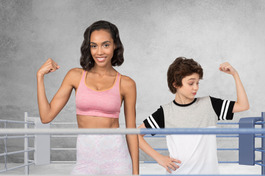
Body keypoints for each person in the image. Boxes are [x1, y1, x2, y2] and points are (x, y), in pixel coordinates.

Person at [37, 20, 139, 175]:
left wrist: (136, 173)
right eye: (94, 45)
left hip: (116, 158)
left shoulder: (127, 84)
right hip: (85, 159)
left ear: (115, 45)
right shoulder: (75, 76)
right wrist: (40, 77)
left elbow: (131, 131)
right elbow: (46, 116)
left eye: (105, 45)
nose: (99, 51)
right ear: (88, 47)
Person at [138, 57, 249, 175]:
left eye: (197, 83)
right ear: (175, 84)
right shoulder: (165, 112)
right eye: (191, 83)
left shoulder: (210, 104)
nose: (196, 87)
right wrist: (159, 158)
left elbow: (243, 105)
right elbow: (134, 135)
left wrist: (235, 75)